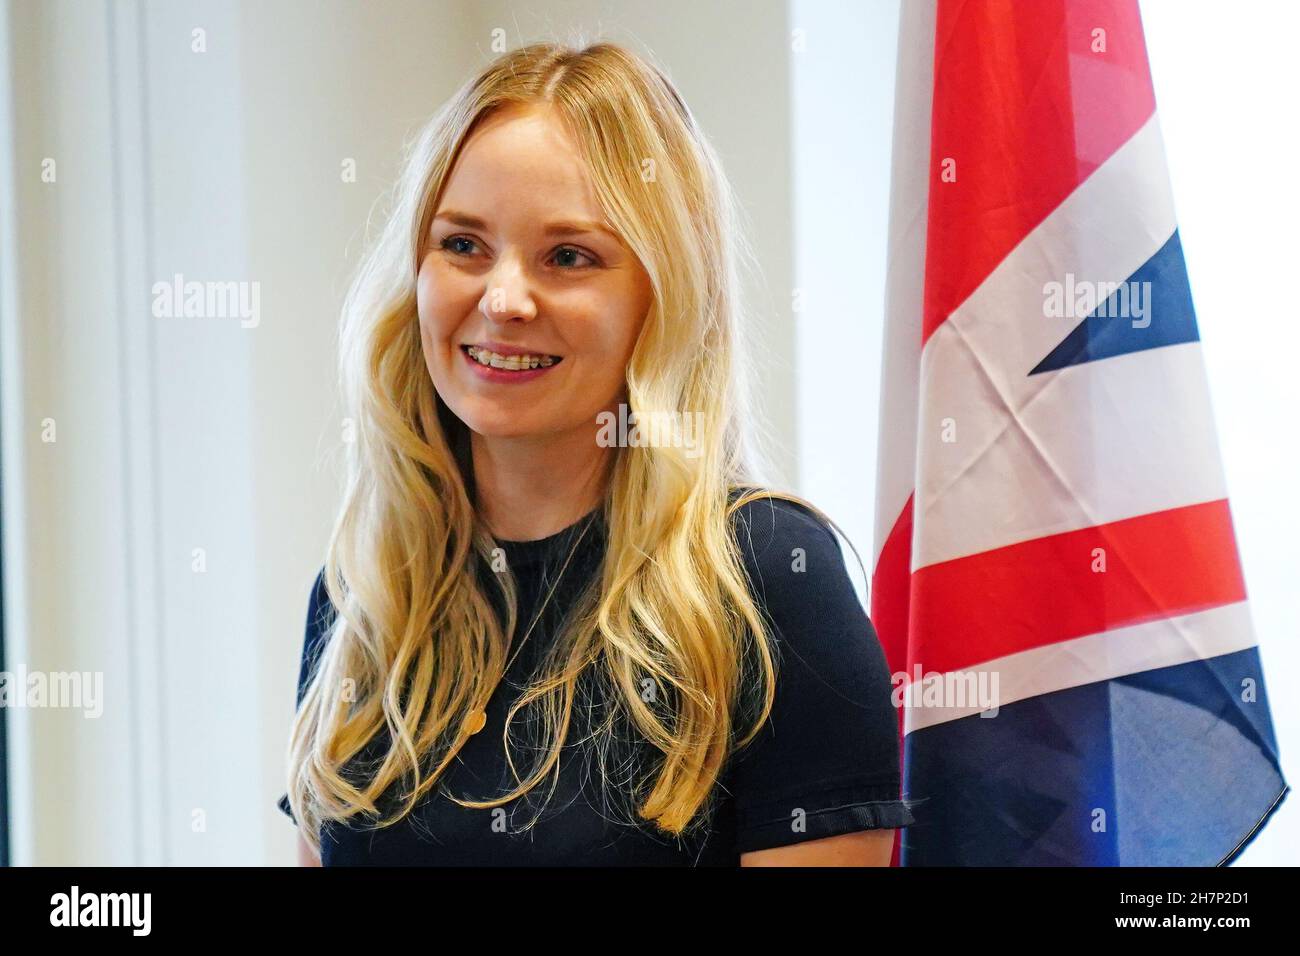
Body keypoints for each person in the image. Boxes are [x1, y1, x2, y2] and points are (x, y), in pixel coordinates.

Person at [278, 39, 912, 866]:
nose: (502, 299)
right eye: (463, 244)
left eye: (568, 257)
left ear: (665, 295)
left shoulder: (771, 582)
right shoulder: (366, 593)